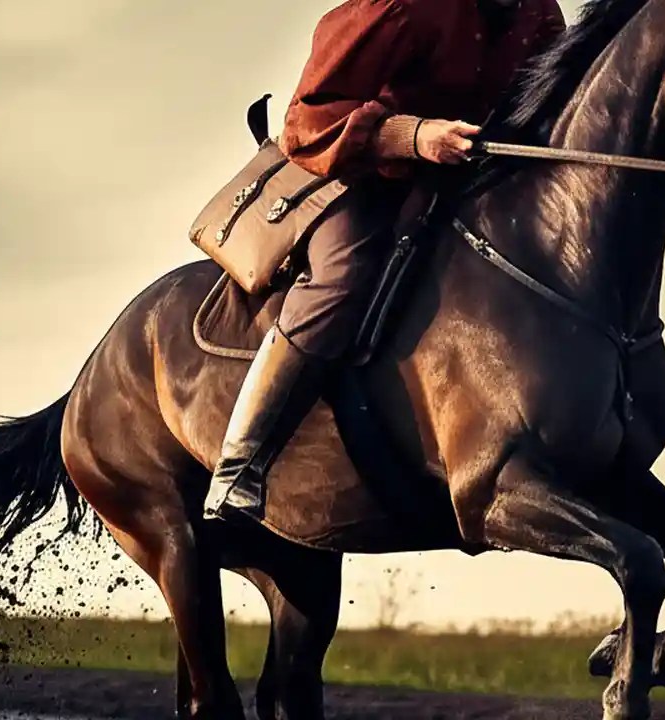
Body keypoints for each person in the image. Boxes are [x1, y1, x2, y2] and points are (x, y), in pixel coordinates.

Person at [204, 0, 567, 522]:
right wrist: (414, 137)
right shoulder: (402, 7)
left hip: (458, 180)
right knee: (341, 278)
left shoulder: (537, 14)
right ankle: (239, 467)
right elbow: (306, 123)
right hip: (355, 172)